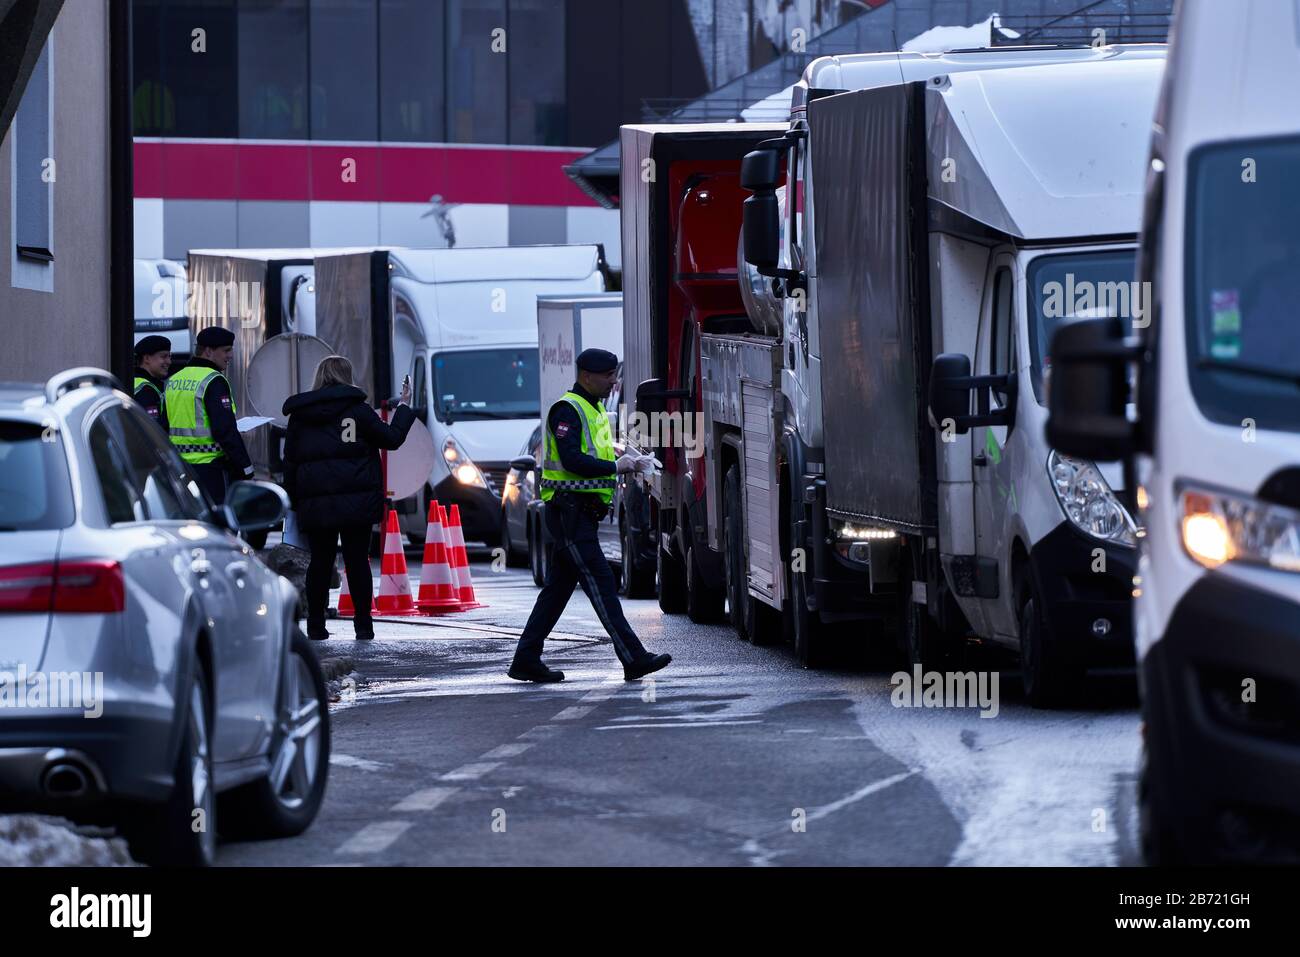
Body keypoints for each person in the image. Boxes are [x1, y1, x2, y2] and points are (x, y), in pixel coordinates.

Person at [508, 348, 671, 683]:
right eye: (608, 376)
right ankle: (633, 657)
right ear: (586, 375)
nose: (614, 382)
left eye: (615, 375)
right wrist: (616, 466)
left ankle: (525, 658)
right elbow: (572, 460)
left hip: (579, 513)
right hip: (570, 512)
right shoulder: (568, 409)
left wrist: (623, 455)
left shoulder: (593, 408)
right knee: (602, 582)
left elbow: (590, 454)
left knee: (556, 592)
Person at [282, 356, 415, 642]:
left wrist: (293, 501)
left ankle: (316, 625)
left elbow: (290, 462)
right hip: (358, 501)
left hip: (316, 503)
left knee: (320, 561)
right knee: (357, 561)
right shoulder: (358, 411)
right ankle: (363, 625)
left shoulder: (300, 416)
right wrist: (404, 407)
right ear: (347, 377)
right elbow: (391, 439)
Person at [165, 326, 253, 505]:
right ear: (208, 351)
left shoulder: (173, 380)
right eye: (226, 351)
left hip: (178, 468)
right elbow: (224, 430)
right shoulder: (213, 380)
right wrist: (246, 468)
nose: (230, 356)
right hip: (210, 469)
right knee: (216, 527)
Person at [132, 335, 172, 432]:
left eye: (169, 357)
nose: (169, 362)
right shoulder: (146, 390)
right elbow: (152, 430)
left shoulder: (135, 380)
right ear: (146, 359)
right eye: (164, 356)